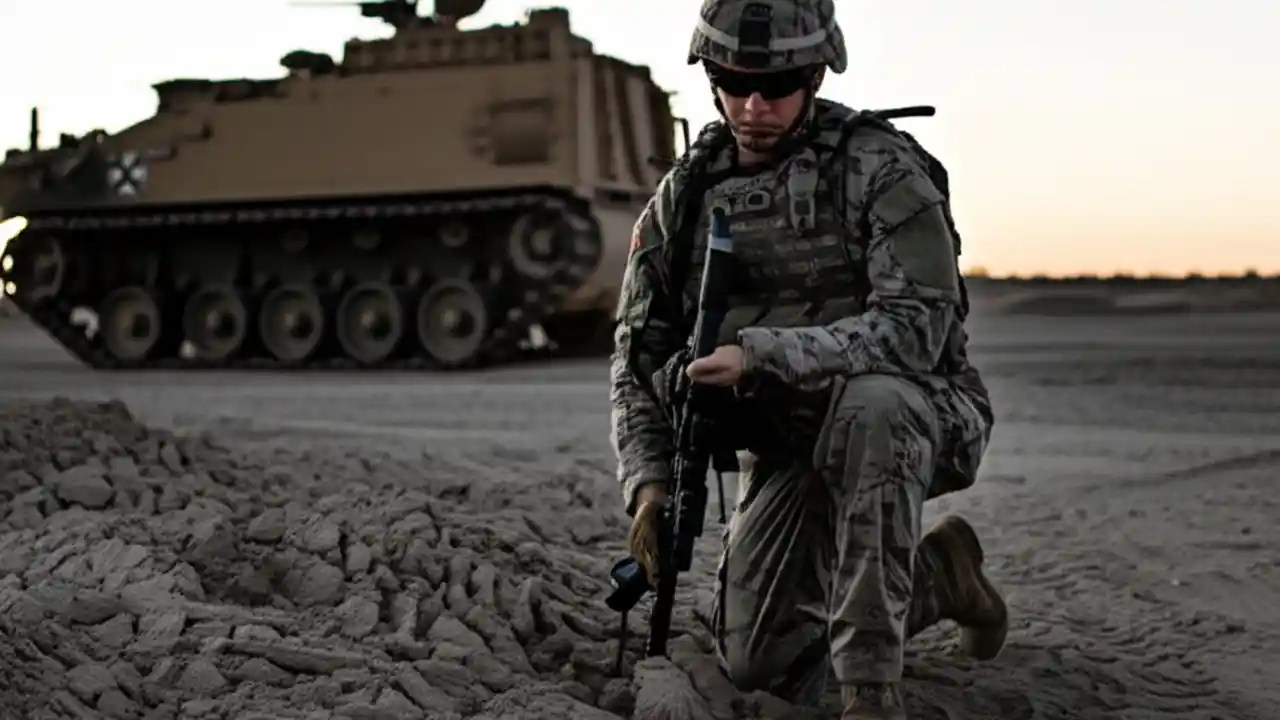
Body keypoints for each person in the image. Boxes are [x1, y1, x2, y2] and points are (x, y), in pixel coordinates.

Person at [608, 1, 1009, 718]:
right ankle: (944, 576)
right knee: (764, 664)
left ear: (816, 74)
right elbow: (641, 356)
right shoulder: (687, 196)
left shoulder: (880, 170)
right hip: (789, 441)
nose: (754, 104)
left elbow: (916, 330)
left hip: (918, 415)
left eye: (780, 82)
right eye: (732, 79)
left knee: (873, 406)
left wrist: (760, 352)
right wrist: (649, 487)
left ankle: (870, 695)